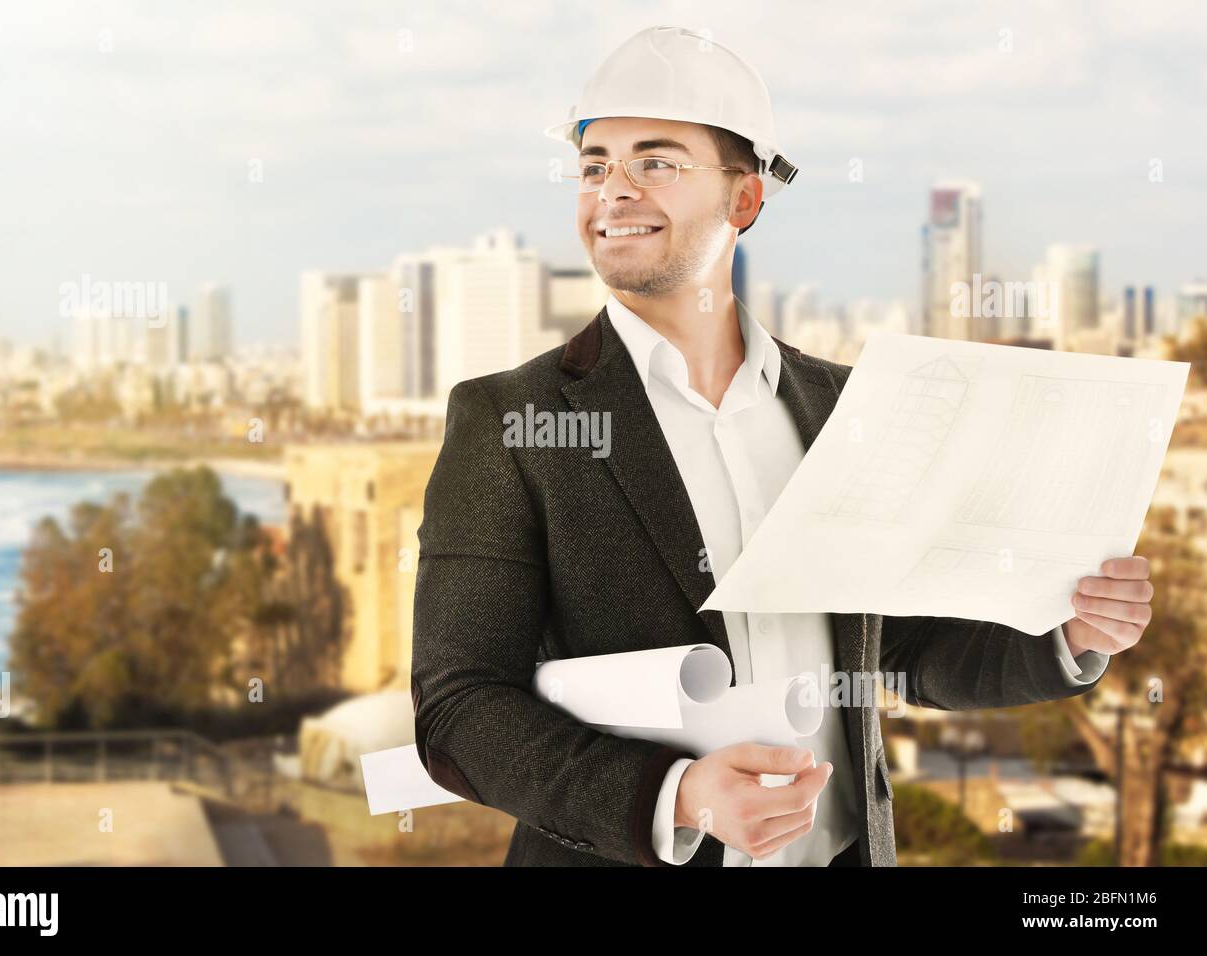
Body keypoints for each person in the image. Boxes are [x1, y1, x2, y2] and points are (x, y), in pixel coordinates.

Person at [410, 25, 1153, 867]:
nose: (613, 191)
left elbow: (899, 654)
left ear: (744, 201)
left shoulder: (845, 406)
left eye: (655, 163)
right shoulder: (510, 420)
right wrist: (676, 795)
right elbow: (460, 707)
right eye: (594, 166)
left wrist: (1071, 633)